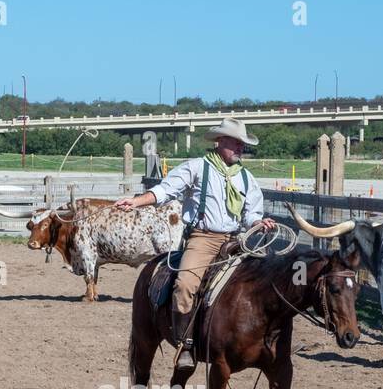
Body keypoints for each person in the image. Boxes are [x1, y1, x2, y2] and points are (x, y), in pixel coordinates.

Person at [115, 118, 277, 368]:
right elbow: (165, 191)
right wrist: (136, 202)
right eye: (235, 142)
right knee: (185, 284)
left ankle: (261, 340)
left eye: (242, 143)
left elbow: (249, 215)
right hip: (203, 238)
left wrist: (260, 222)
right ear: (220, 141)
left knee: (263, 283)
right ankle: (185, 345)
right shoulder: (197, 168)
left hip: (235, 241)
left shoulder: (246, 178)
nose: (240, 147)